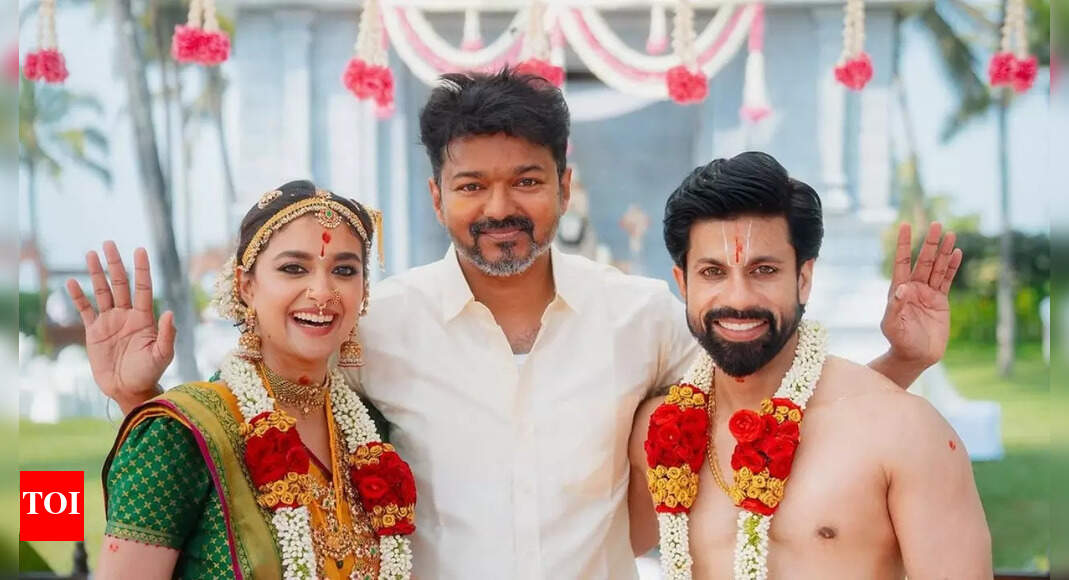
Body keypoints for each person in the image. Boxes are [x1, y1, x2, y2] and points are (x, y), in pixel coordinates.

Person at [73, 69, 961, 579]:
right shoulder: (371, 326)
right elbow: (249, 435)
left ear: (563, 186)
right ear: (437, 197)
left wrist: (899, 365)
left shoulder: (641, 317)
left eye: (526, 181)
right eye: (472, 185)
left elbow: (765, 411)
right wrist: (136, 400)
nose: (500, 207)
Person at [629, 152, 990, 579]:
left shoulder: (905, 432)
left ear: (803, 279)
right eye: (713, 272)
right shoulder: (659, 434)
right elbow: (590, 548)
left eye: (764, 270)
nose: (739, 298)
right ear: (683, 283)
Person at [68, 182, 418, 579]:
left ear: (364, 290)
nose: (322, 292)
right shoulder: (179, 435)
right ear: (245, 285)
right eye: (293, 268)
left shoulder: (372, 432)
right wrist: (136, 396)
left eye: (344, 270)